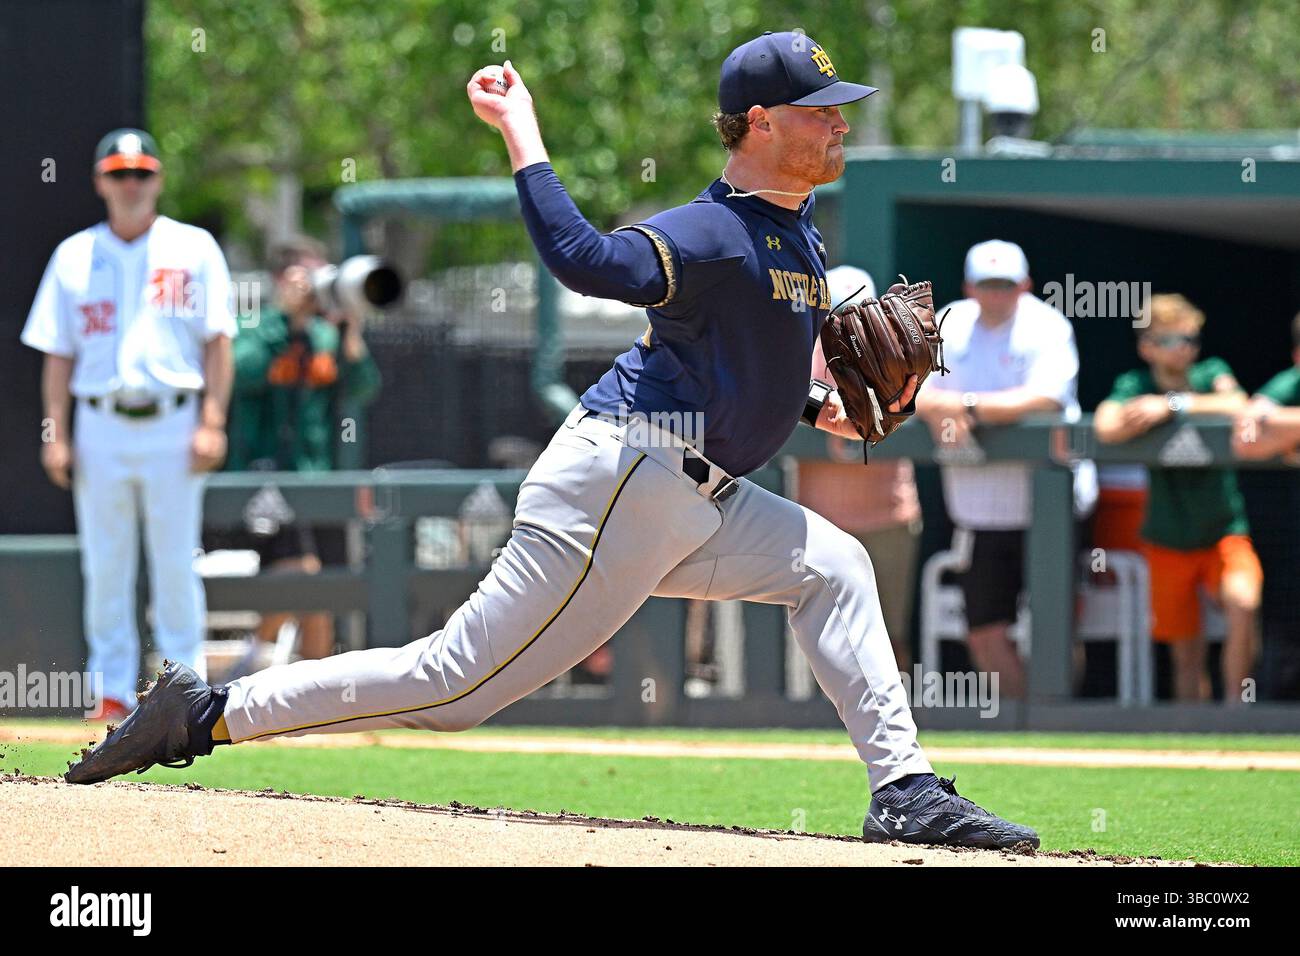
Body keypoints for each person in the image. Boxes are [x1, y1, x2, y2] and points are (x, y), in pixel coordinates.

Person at [67, 34, 1037, 851]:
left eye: (837, 107)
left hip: (692, 489)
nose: (839, 121)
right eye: (817, 109)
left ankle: (902, 787)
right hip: (620, 478)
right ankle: (200, 712)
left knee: (833, 564)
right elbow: (583, 259)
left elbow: (738, 365)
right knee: (451, 685)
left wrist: (815, 413)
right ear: (758, 124)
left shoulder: (800, 233)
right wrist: (519, 130)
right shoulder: (705, 232)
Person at [20, 128, 235, 721]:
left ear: (159, 179)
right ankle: (111, 690)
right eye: (119, 174)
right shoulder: (74, 255)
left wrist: (212, 421)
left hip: (174, 417)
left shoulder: (193, 247)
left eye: (141, 174)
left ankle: (182, 691)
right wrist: (55, 433)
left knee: (174, 563)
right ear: (100, 183)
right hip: (101, 422)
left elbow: (219, 342)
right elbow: (57, 354)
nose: (131, 184)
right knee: (106, 564)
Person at [915, 240, 1090, 699]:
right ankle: (1025, 728)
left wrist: (967, 406)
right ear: (969, 287)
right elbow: (914, 391)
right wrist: (935, 407)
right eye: (987, 285)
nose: (997, 295)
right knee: (984, 631)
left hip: (1049, 507)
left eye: (1006, 285)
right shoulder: (948, 324)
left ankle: (1057, 720)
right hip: (979, 511)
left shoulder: (1046, 326)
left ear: (1025, 286)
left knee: (1056, 628)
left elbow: (1048, 398)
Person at [1095, 293, 1260, 703]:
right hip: (1167, 536)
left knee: (1243, 602)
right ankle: (1197, 736)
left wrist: (1172, 405)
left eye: (1190, 339)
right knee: (1186, 652)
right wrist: (1144, 412)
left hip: (1223, 529)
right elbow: (1105, 425)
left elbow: (1239, 402)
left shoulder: (1211, 373)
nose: (1184, 348)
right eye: (1171, 340)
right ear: (1147, 347)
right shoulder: (1135, 384)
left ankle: (1239, 717)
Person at [223, 236, 382, 660]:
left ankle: (312, 696)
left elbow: (364, 388)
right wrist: (285, 320)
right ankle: (251, 654)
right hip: (261, 481)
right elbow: (240, 371)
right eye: (305, 277)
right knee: (303, 575)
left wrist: (352, 335)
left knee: (324, 593)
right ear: (280, 279)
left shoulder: (326, 336)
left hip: (319, 480)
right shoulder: (254, 326)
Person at [796, 265, 922, 672]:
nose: (847, 323)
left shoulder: (897, 348)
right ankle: (817, 729)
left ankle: (899, 728)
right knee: (821, 635)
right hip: (818, 521)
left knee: (887, 635)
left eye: (858, 313)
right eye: (836, 312)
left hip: (886, 517)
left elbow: (930, 402)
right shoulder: (799, 348)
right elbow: (781, 391)